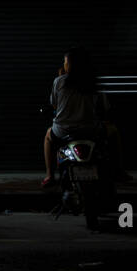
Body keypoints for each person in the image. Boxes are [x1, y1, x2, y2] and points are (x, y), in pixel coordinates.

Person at [42, 47, 112, 188]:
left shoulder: (59, 81)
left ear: (70, 64)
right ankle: (118, 170)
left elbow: (54, 105)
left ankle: (49, 175)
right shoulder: (94, 82)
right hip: (91, 130)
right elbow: (105, 107)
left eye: (66, 62)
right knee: (114, 132)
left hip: (63, 130)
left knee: (48, 137)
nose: (64, 65)